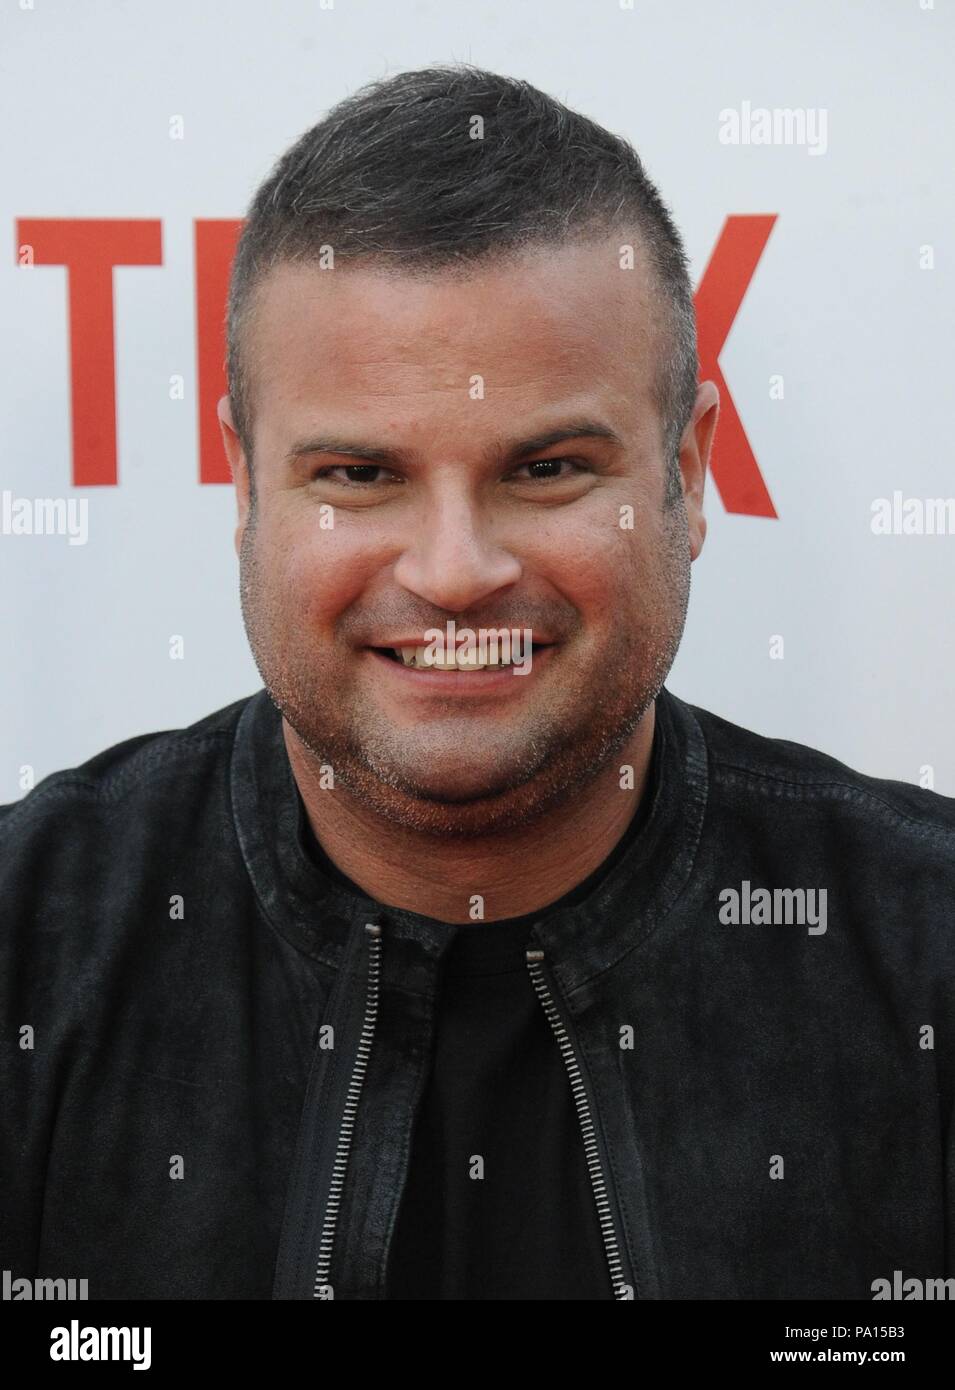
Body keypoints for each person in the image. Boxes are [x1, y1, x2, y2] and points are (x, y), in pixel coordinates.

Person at [2, 64, 953, 1303]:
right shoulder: (33, 945)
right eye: (357, 473)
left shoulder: (922, 949)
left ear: (690, 470)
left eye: (548, 467)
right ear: (242, 489)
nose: (455, 573)